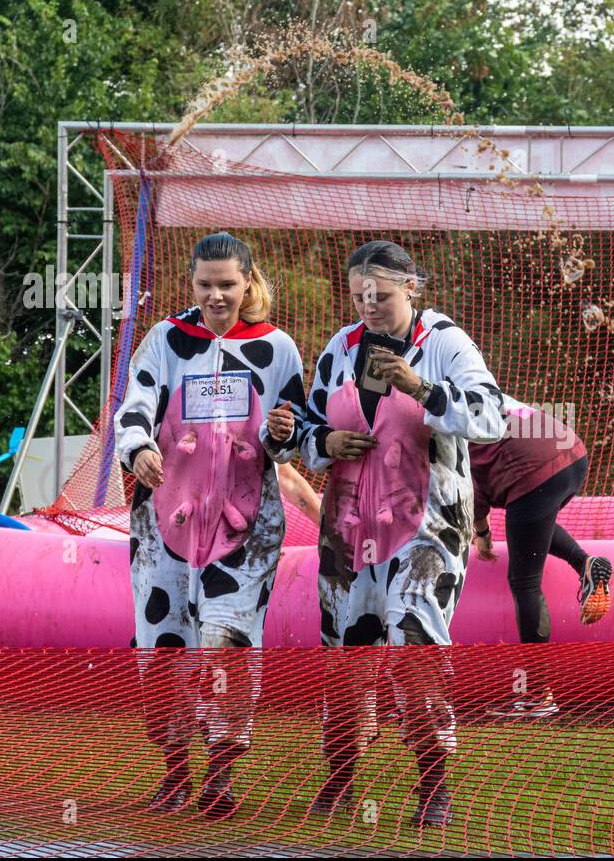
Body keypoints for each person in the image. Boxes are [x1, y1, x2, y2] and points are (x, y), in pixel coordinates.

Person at [299, 240, 505, 828]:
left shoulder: (445, 343)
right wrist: (323, 443)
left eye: (382, 296)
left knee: (415, 643)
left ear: (412, 289)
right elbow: (306, 432)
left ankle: (433, 785)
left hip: (429, 525)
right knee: (345, 654)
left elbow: (491, 417)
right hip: (348, 526)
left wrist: (422, 389)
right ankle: (340, 775)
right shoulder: (339, 350)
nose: (369, 305)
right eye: (360, 294)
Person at [114, 231, 306, 819]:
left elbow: (299, 431)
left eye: (227, 284)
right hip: (164, 526)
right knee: (164, 646)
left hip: (245, 531)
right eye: (205, 284)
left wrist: (282, 434)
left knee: (227, 645)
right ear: (191, 283)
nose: (216, 296)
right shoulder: (166, 339)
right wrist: (139, 447)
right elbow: (134, 406)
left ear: (248, 282)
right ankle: (174, 774)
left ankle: (220, 776)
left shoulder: (277, 349)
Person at [470, 397, 613, 717]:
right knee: (534, 521)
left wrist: (482, 533)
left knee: (524, 581)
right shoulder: (479, 386)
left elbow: (471, 493)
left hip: (533, 471)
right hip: (572, 452)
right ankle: (584, 563)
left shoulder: (444, 420)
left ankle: (536, 695)